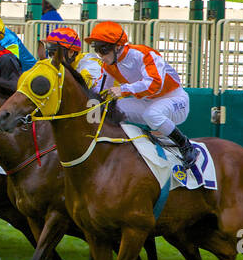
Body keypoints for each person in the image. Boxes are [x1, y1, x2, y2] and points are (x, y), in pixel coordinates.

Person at [84, 21, 197, 166]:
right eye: (97, 50)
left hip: (175, 100)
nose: (100, 56)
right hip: (146, 102)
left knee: (152, 114)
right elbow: (100, 91)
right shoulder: (108, 65)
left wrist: (123, 89)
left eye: (103, 50)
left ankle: (186, 146)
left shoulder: (143, 54)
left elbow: (155, 83)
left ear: (118, 46)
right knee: (110, 108)